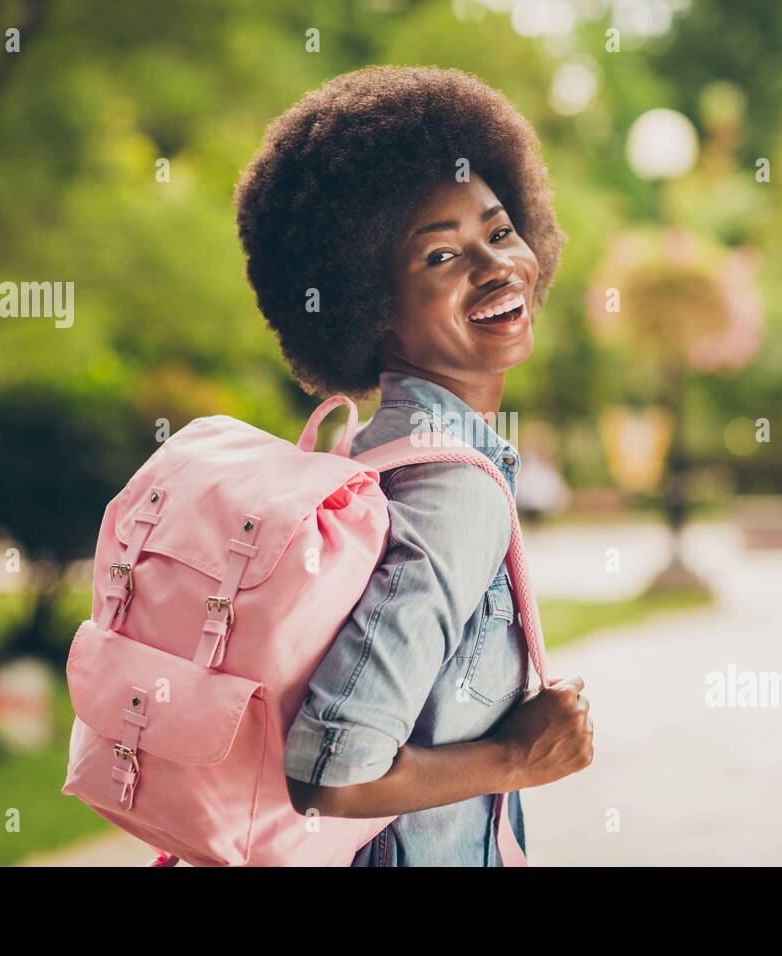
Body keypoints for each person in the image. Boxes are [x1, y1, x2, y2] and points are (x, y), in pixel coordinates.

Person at [234, 65, 593, 865]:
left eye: (499, 233)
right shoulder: (453, 489)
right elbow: (333, 772)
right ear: (371, 304)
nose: (497, 266)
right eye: (440, 257)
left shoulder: (370, 455)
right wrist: (519, 757)